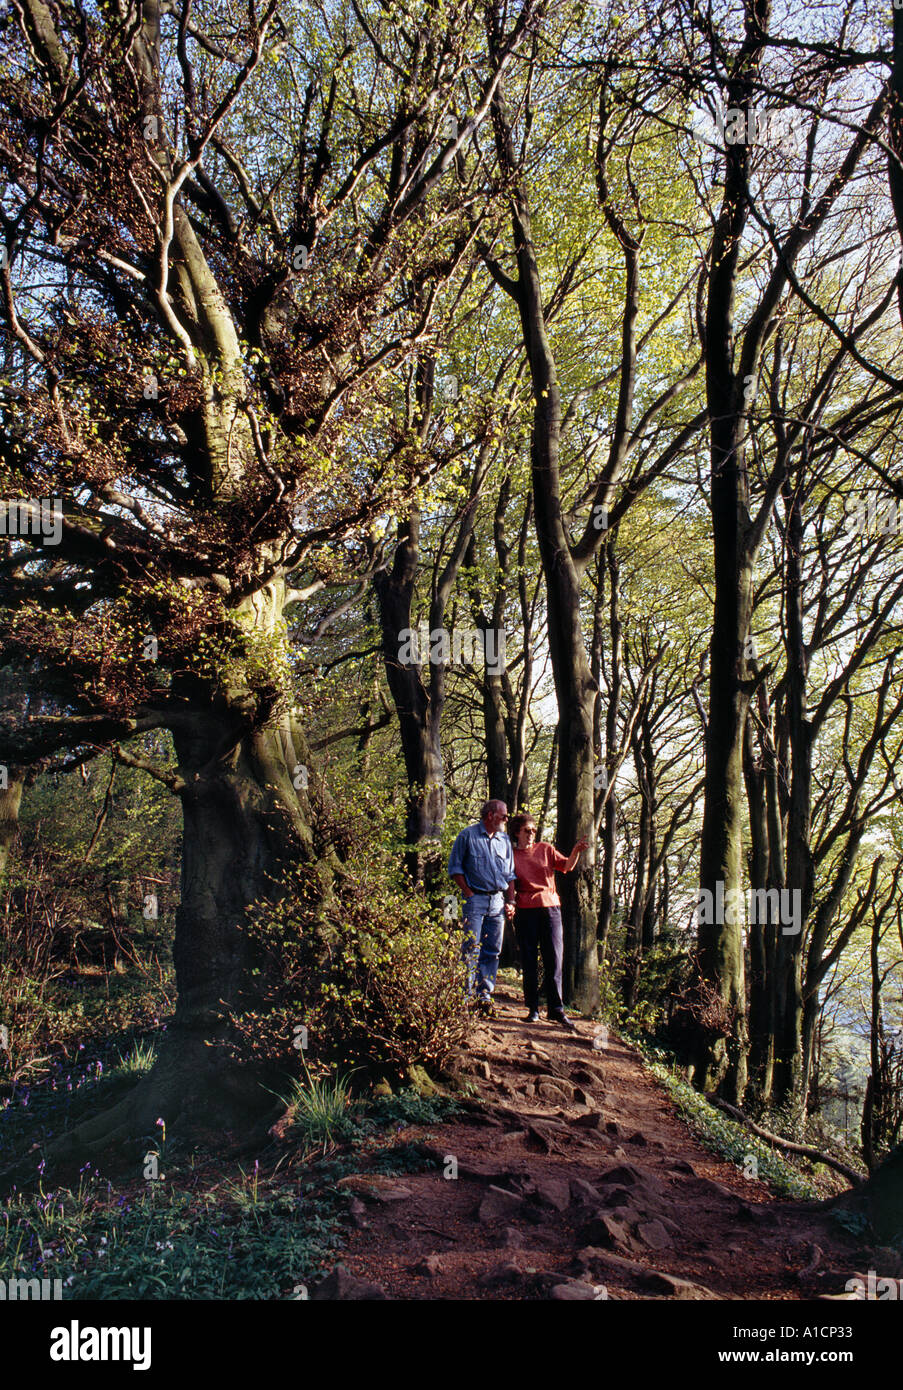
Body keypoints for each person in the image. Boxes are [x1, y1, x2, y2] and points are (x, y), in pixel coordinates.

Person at [508, 813, 588, 1030]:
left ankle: (556, 1009)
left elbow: (567, 866)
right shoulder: (511, 855)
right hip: (525, 911)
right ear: (517, 832)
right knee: (529, 960)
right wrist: (511, 903)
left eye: (534, 830)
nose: (531, 833)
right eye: (527, 830)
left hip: (550, 909)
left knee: (554, 958)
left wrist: (575, 851)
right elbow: (510, 883)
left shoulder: (545, 849)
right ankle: (533, 1009)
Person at [448, 799, 516, 1018]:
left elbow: (510, 874)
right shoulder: (467, 836)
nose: (506, 820)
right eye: (504, 816)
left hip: (498, 901)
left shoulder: (504, 840)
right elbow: (455, 869)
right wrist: (468, 893)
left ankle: (484, 996)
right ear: (490, 815)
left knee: (493, 950)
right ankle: (463, 997)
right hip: (474, 900)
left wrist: (511, 901)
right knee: (471, 947)